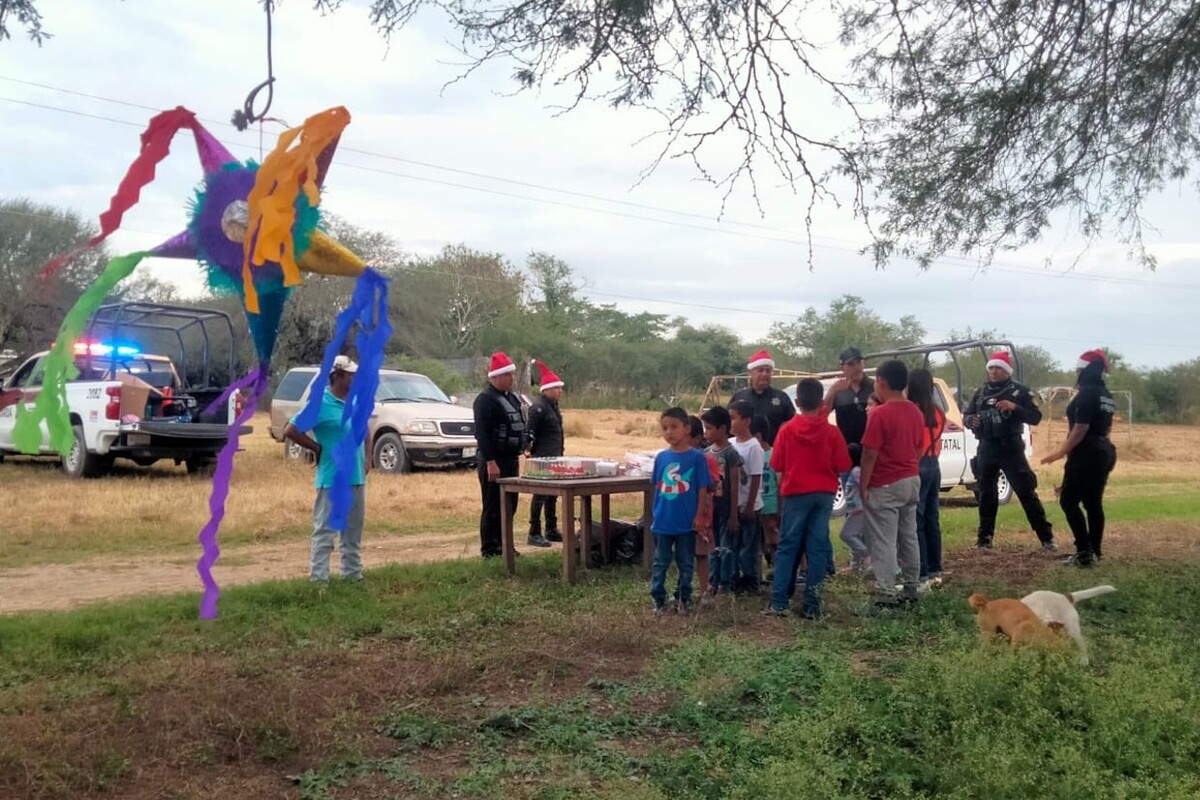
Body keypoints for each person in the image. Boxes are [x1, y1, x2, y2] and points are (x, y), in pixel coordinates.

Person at [764, 379, 851, 619]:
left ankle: (779, 602)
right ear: (821, 400)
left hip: (795, 494)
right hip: (823, 495)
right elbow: (843, 464)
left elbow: (777, 465)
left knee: (788, 547)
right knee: (817, 548)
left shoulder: (787, 430)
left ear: (797, 401)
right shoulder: (831, 432)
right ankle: (813, 604)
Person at [283, 355, 371, 584]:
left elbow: (366, 429)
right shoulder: (320, 403)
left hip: (356, 477)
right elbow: (290, 430)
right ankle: (319, 581)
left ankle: (352, 576)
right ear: (337, 376)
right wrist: (315, 447)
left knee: (353, 531)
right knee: (325, 532)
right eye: (352, 375)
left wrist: (368, 459)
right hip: (333, 478)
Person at [964, 351, 1056, 551]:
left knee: (1026, 492)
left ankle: (1046, 538)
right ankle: (984, 539)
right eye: (991, 368)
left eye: (998, 368)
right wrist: (971, 420)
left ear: (1007, 370)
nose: (994, 372)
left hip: (1011, 448)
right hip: (987, 447)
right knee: (986, 494)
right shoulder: (981, 392)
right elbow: (967, 415)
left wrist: (1015, 407)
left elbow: (1035, 417)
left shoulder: (1020, 392)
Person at [1041, 349, 1118, 568]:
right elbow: (1106, 427)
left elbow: (1081, 427)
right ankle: (1095, 552)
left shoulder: (1087, 394)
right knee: (1093, 503)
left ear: (1085, 370)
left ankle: (1084, 552)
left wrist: (1061, 452)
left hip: (1086, 452)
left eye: (1078, 370)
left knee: (1068, 501)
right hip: (1104, 450)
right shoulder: (1106, 394)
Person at [859, 359, 925, 609]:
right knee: (909, 536)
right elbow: (919, 447)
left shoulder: (879, 413)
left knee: (884, 540)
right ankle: (911, 587)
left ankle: (886, 593)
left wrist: (864, 484)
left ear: (881, 382)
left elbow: (870, 453)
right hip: (911, 478)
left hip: (886, 482)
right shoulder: (915, 411)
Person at [650, 407, 712, 614]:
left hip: (686, 522)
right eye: (665, 428)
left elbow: (702, 488)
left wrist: (699, 516)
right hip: (663, 521)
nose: (669, 432)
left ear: (686, 429)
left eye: (674, 427)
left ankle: (683, 598)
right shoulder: (661, 458)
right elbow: (657, 488)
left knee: (686, 562)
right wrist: (655, 514)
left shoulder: (697, 458)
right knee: (660, 562)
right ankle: (658, 599)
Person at [473, 351, 529, 559]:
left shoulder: (512, 398)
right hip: (493, 461)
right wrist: (490, 461)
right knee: (493, 506)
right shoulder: (484, 400)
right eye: (507, 375)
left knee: (510, 505)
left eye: (513, 374)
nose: (512, 378)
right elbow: (482, 434)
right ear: (495, 377)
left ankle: (506, 546)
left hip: (511, 459)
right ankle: (490, 549)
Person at [907, 368, 946, 588]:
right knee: (932, 517)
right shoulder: (937, 411)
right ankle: (935, 567)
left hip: (918, 464)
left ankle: (921, 570)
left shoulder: (913, 411)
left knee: (917, 519)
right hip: (934, 464)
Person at [700, 405, 742, 597]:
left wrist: (734, 514)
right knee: (712, 546)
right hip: (711, 508)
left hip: (725, 508)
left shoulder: (731, 453)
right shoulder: (707, 452)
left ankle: (726, 582)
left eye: (709, 428)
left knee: (726, 547)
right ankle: (713, 581)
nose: (706, 432)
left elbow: (734, 484)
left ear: (723, 429)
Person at [526, 359, 565, 547]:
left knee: (552, 495)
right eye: (557, 388)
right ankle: (534, 532)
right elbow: (530, 432)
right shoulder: (538, 407)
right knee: (540, 494)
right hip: (542, 457)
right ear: (546, 389)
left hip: (555, 456)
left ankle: (551, 528)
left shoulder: (554, 406)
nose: (560, 391)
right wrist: (530, 451)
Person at [727, 400, 764, 593]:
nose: (730, 422)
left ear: (747, 421)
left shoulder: (753, 446)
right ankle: (734, 579)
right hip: (734, 505)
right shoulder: (731, 444)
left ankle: (751, 581)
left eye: (733, 418)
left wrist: (750, 505)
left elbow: (756, 477)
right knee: (733, 544)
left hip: (750, 506)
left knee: (748, 547)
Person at [729, 349, 796, 445]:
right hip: (743, 450)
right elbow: (728, 425)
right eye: (760, 370)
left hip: (774, 450)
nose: (764, 374)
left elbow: (792, 426)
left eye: (768, 371)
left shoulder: (781, 398)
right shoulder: (739, 397)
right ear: (750, 373)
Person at [688, 415, 721, 601]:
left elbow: (713, 485)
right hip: (684, 513)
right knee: (687, 553)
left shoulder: (707, 459)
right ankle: (689, 588)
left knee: (701, 553)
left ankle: (704, 588)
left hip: (702, 514)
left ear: (697, 439)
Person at [750, 415, 779, 572]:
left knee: (773, 537)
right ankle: (760, 572)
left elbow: (779, 482)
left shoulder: (774, 454)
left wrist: (780, 508)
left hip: (770, 504)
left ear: (758, 436)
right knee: (759, 540)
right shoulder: (752, 455)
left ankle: (777, 567)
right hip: (756, 504)